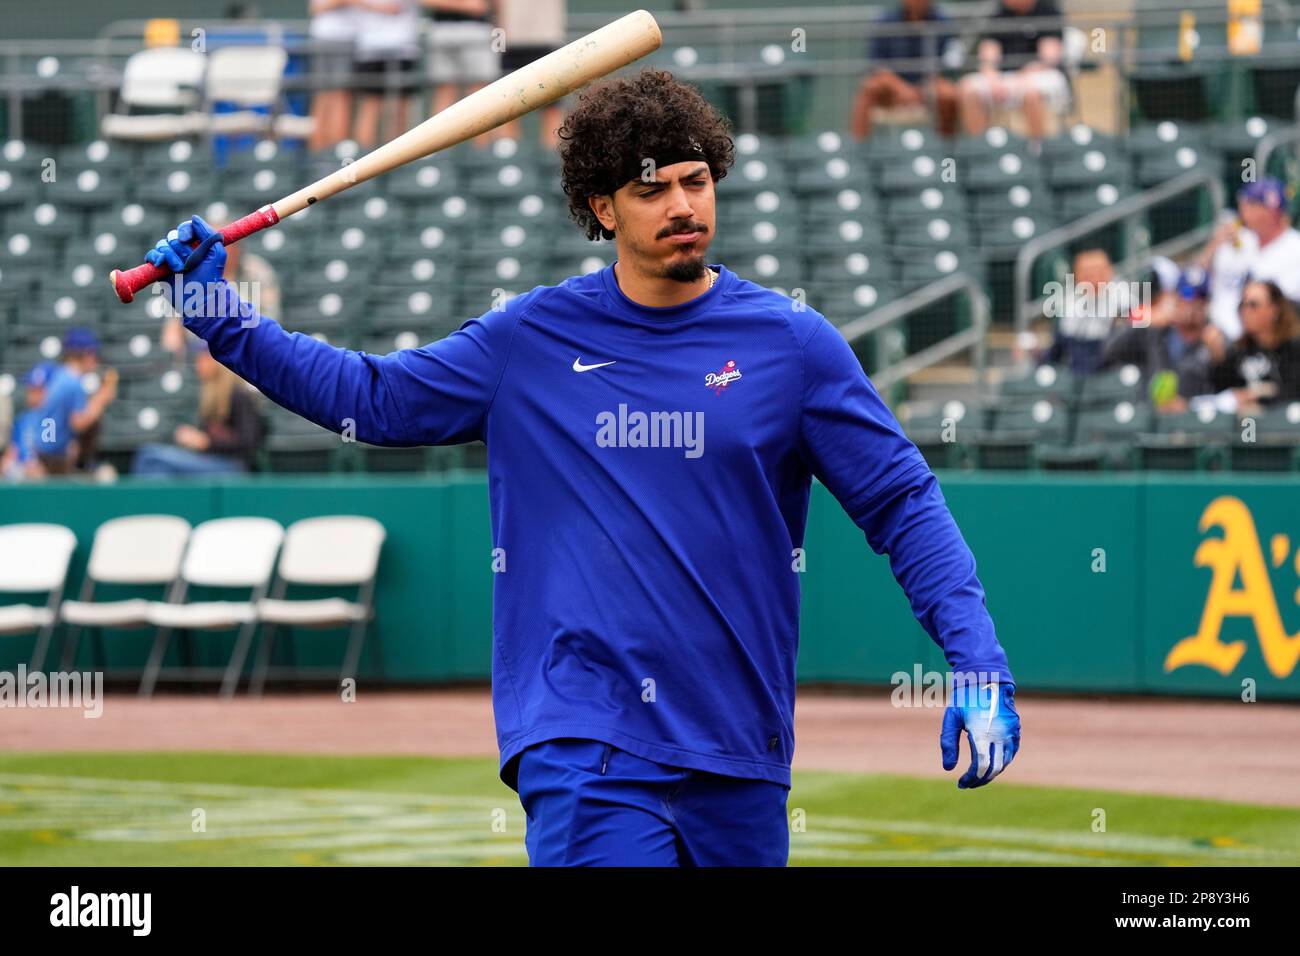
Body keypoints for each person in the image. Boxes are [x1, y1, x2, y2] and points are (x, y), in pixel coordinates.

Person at [144, 67, 1019, 867]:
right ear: (602, 207)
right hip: (582, 740)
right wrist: (223, 313)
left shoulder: (792, 346)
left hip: (740, 747)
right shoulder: (527, 340)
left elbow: (903, 501)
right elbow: (373, 401)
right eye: (652, 189)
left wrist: (977, 658)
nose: (682, 205)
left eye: (696, 182)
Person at [161, 208, 280, 359]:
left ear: (237, 244)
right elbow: (171, 335)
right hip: (200, 358)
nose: (218, 249)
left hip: (247, 353)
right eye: (210, 243)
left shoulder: (257, 271)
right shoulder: (194, 273)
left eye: (224, 242)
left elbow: (270, 319)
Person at [131, 341, 263, 477]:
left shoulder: (238, 394)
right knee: (147, 453)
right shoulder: (210, 394)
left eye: (203, 358)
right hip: (212, 460)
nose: (198, 363)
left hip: (232, 465)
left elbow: (249, 442)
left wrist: (205, 442)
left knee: (153, 460)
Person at [1195, 177, 1300, 341]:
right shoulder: (1238, 239)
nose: (1243, 210)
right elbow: (1195, 278)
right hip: (1217, 334)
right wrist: (1214, 245)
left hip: (1266, 341)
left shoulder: (1295, 248)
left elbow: (1283, 307)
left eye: (1251, 204)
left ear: (1271, 212)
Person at [1102, 266, 1215, 411]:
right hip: (1151, 419)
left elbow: (1226, 394)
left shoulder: (1213, 339)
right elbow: (1110, 350)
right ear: (1175, 298)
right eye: (1187, 294)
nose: (1193, 303)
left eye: (1201, 297)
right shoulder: (1156, 332)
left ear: (1208, 303)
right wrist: (1144, 318)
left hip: (1196, 423)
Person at [959, 0, 1069, 142]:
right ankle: (980, 147)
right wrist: (993, 80)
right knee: (968, 88)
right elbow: (988, 54)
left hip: (1040, 74)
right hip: (1005, 77)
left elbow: (1048, 58)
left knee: (1031, 92)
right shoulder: (998, 12)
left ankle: (1038, 147)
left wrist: (1019, 80)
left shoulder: (1047, 9)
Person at [850, 0, 961, 140]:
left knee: (948, 95)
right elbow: (875, 64)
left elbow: (952, 62)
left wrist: (926, 87)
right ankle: (859, 152)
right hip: (893, 89)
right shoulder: (885, 21)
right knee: (869, 87)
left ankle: (947, 155)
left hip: (930, 89)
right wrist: (901, 88)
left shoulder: (944, 21)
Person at [1204, 279, 1300, 412]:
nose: (1245, 311)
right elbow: (1219, 391)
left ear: (1275, 310)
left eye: (1253, 305)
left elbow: (1293, 393)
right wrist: (1217, 357)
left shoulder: (1293, 349)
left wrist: (1258, 399)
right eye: (1242, 305)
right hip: (1247, 428)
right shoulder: (1240, 351)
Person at [37, 328, 117, 476]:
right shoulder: (72, 382)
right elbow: (78, 423)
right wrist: (101, 398)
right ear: (87, 354)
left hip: (45, 451)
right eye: (94, 355)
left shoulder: (59, 375)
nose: (96, 360)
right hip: (53, 459)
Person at [421, 0, 500, 148]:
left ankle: (481, 154)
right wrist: (465, 6)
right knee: (446, 93)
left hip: (475, 29)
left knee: (479, 95)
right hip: (446, 30)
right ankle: (438, 154)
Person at [1036, 247, 1127, 375]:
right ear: (1077, 276)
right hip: (1076, 372)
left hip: (1112, 369)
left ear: (1109, 272)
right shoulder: (1069, 302)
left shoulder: (1124, 300)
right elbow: (1057, 349)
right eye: (1087, 273)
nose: (1093, 279)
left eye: (1097, 272)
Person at [351, 0, 423, 148]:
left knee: (400, 108)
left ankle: (399, 155)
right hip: (371, 46)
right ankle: (362, 157)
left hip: (403, 47)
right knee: (371, 106)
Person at [494, 0, 566, 148]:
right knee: (507, 110)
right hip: (511, 45)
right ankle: (509, 160)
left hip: (546, 42)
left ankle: (552, 158)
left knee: (551, 109)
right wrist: (499, 44)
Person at [307, 0, 362, 154]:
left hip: (345, 37)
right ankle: (326, 156)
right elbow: (318, 6)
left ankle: (333, 156)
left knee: (339, 97)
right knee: (329, 98)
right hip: (332, 38)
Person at [1, 363, 54, 482]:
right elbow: (13, 449)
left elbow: (51, 454)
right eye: (31, 390)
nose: (33, 395)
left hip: (44, 476)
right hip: (21, 472)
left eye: (39, 390)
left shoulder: (51, 419)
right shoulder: (23, 418)